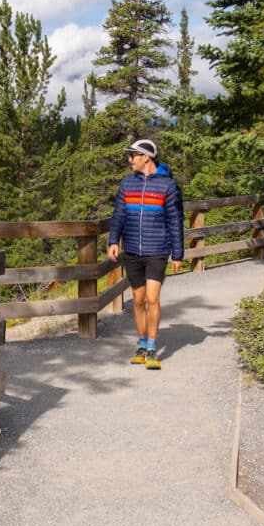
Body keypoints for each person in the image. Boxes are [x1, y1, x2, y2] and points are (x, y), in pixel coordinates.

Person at [106, 138, 184, 370]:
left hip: (157, 250)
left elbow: (175, 221)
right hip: (131, 251)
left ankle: (152, 347)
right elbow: (119, 215)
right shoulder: (127, 184)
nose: (129, 160)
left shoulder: (168, 186)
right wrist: (113, 240)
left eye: (133, 155)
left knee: (152, 298)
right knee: (138, 300)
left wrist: (178, 254)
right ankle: (141, 343)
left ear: (146, 157)